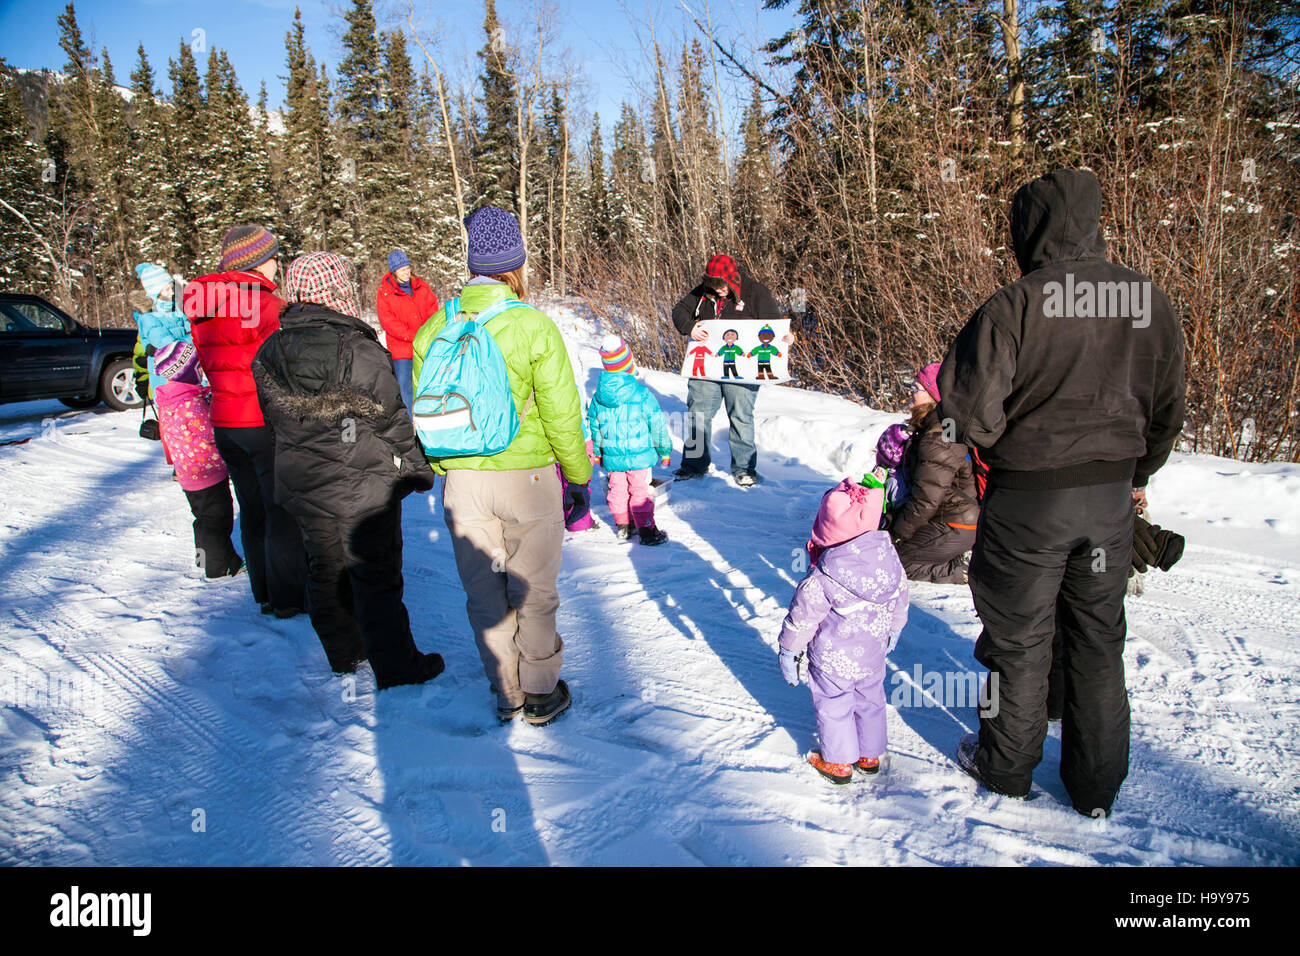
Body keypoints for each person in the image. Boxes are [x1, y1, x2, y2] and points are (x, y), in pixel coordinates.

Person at [940, 169, 1186, 817]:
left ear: (1029, 230)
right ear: (1093, 222)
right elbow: (1167, 408)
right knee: (1098, 639)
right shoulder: (1146, 301)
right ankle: (1095, 787)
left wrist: (1006, 442)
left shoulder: (1013, 306)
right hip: (1107, 502)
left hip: (1029, 502)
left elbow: (966, 413)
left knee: (1020, 641)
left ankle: (1005, 768)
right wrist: (1135, 477)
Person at [412, 206, 591, 726]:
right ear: (516, 263)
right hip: (529, 480)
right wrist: (576, 477)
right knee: (533, 590)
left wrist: (449, 471)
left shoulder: (434, 328)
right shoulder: (534, 326)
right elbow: (562, 413)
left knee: (485, 594)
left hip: (464, 483)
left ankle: (505, 692)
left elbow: (425, 410)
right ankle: (539, 692)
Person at [251, 252, 444, 689]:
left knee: (325, 569)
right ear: (335, 288)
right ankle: (397, 669)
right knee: (375, 576)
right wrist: (417, 469)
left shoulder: (269, 350)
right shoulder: (357, 347)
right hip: (362, 484)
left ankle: (344, 653)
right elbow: (391, 416)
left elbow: (273, 418)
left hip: (303, 484)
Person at [184, 225, 309, 618]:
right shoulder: (265, 306)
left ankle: (265, 592)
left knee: (252, 510)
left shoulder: (205, 304)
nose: (278, 267)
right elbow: (286, 368)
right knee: (281, 511)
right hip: (261, 422)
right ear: (256, 261)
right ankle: (289, 598)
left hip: (225, 421)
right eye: (273, 258)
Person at [778, 477, 909, 784]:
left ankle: (838, 762)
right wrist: (894, 629)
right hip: (874, 652)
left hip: (833, 660)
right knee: (870, 700)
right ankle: (869, 754)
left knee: (835, 705)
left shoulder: (823, 577)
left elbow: (803, 619)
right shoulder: (890, 559)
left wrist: (789, 650)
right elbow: (901, 597)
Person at [670, 255, 788, 487]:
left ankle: (744, 468)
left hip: (741, 371)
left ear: (733, 279)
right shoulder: (702, 292)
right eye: (713, 285)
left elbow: (774, 326)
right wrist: (690, 326)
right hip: (706, 368)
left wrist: (785, 337)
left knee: (741, 416)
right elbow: (679, 311)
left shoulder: (756, 292)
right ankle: (694, 465)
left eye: (722, 285)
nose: (719, 290)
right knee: (698, 415)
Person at [151, 340, 243, 580]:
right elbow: (209, 436)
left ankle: (203, 558)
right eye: (198, 368)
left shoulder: (170, 401)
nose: (202, 371)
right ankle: (220, 566)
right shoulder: (189, 404)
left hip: (188, 476)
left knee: (202, 519)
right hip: (208, 473)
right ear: (186, 371)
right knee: (218, 520)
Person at [886, 363, 980, 584]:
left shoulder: (937, 439)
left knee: (893, 562)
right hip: (950, 519)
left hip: (955, 524)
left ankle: (960, 570)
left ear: (933, 395)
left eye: (916, 387)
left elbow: (925, 500)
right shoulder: (939, 428)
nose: (910, 391)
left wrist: (897, 535)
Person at [587, 335, 672, 545]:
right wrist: (664, 450)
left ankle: (623, 526)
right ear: (628, 363)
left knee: (617, 490)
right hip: (639, 457)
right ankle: (647, 531)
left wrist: (598, 451)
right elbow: (657, 424)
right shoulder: (641, 393)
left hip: (614, 457)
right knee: (639, 491)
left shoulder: (599, 396)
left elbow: (595, 426)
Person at [376, 249, 439, 414]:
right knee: (406, 388)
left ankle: (429, 416)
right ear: (394, 271)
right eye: (402, 269)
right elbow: (388, 321)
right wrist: (412, 335)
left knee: (427, 384)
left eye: (407, 268)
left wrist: (426, 333)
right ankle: (411, 422)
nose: (406, 272)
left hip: (423, 347)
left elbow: (432, 311)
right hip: (401, 351)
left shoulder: (421, 287)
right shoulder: (385, 292)